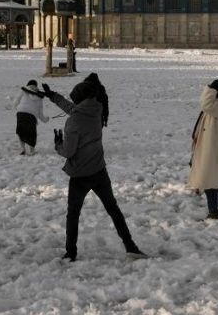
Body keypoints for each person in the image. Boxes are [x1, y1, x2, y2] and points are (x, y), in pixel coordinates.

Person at [42, 81, 144, 262]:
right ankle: (130, 246)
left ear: (80, 99)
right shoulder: (96, 109)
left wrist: (58, 144)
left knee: (73, 214)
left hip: (80, 175)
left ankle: (70, 253)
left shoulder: (74, 120)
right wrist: (53, 96)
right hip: (99, 171)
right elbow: (73, 108)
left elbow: (68, 151)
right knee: (113, 209)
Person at [188, 79, 218, 220]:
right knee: (214, 178)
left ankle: (213, 212)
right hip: (211, 145)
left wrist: (209, 89)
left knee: (209, 179)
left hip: (214, 146)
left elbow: (205, 104)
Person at [14, 80, 50, 155]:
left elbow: (16, 101)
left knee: (21, 131)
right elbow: (40, 113)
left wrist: (17, 109)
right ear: (36, 86)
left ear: (28, 85)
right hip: (32, 115)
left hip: (21, 112)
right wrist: (45, 119)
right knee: (31, 133)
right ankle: (31, 150)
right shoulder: (39, 96)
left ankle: (22, 149)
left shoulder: (23, 90)